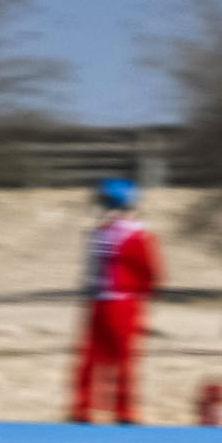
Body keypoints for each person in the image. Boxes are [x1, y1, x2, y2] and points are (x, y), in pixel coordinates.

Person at [69, 178, 162, 425]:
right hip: (110, 302)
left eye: (104, 200)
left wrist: (139, 293)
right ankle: (100, 409)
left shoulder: (124, 234)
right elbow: (150, 273)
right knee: (103, 358)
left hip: (114, 301)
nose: (101, 205)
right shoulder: (112, 233)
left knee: (109, 358)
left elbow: (148, 271)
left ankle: (106, 409)